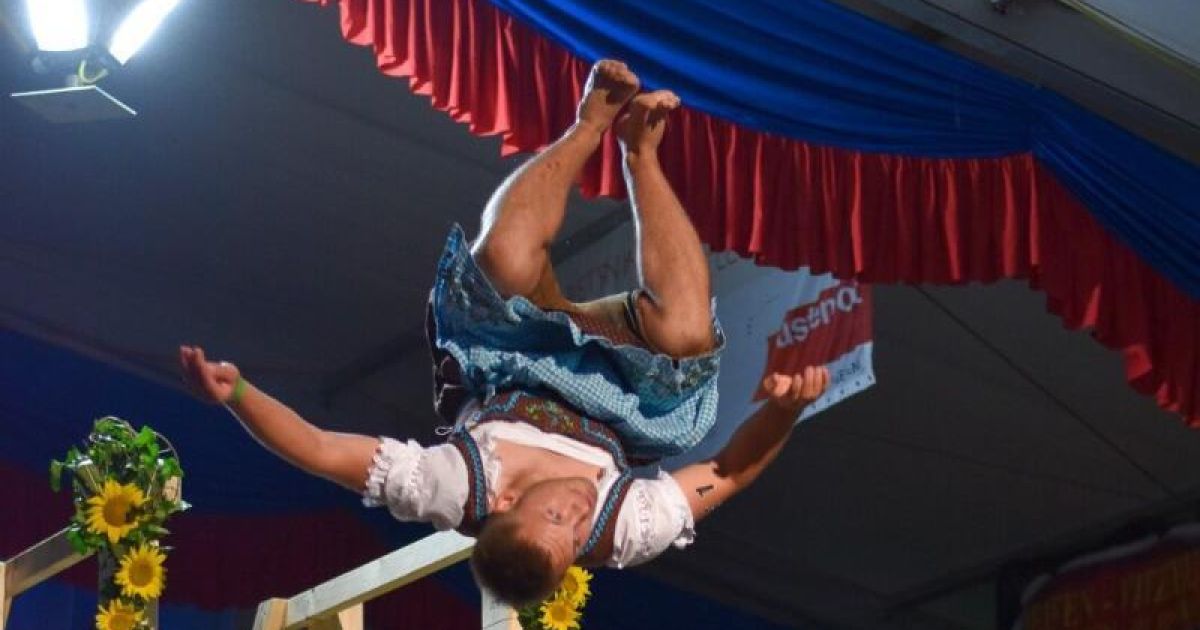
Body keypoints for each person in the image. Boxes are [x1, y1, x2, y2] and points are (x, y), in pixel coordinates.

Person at [179, 60, 830, 607]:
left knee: (504, 261)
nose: (577, 512)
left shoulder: (451, 487)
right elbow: (727, 470)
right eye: (575, 534)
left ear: (507, 501)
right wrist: (785, 410)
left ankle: (589, 125)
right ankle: (640, 154)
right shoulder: (627, 529)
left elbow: (320, 449)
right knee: (689, 334)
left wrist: (237, 396)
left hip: (519, 355)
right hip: (628, 388)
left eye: (553, 516)